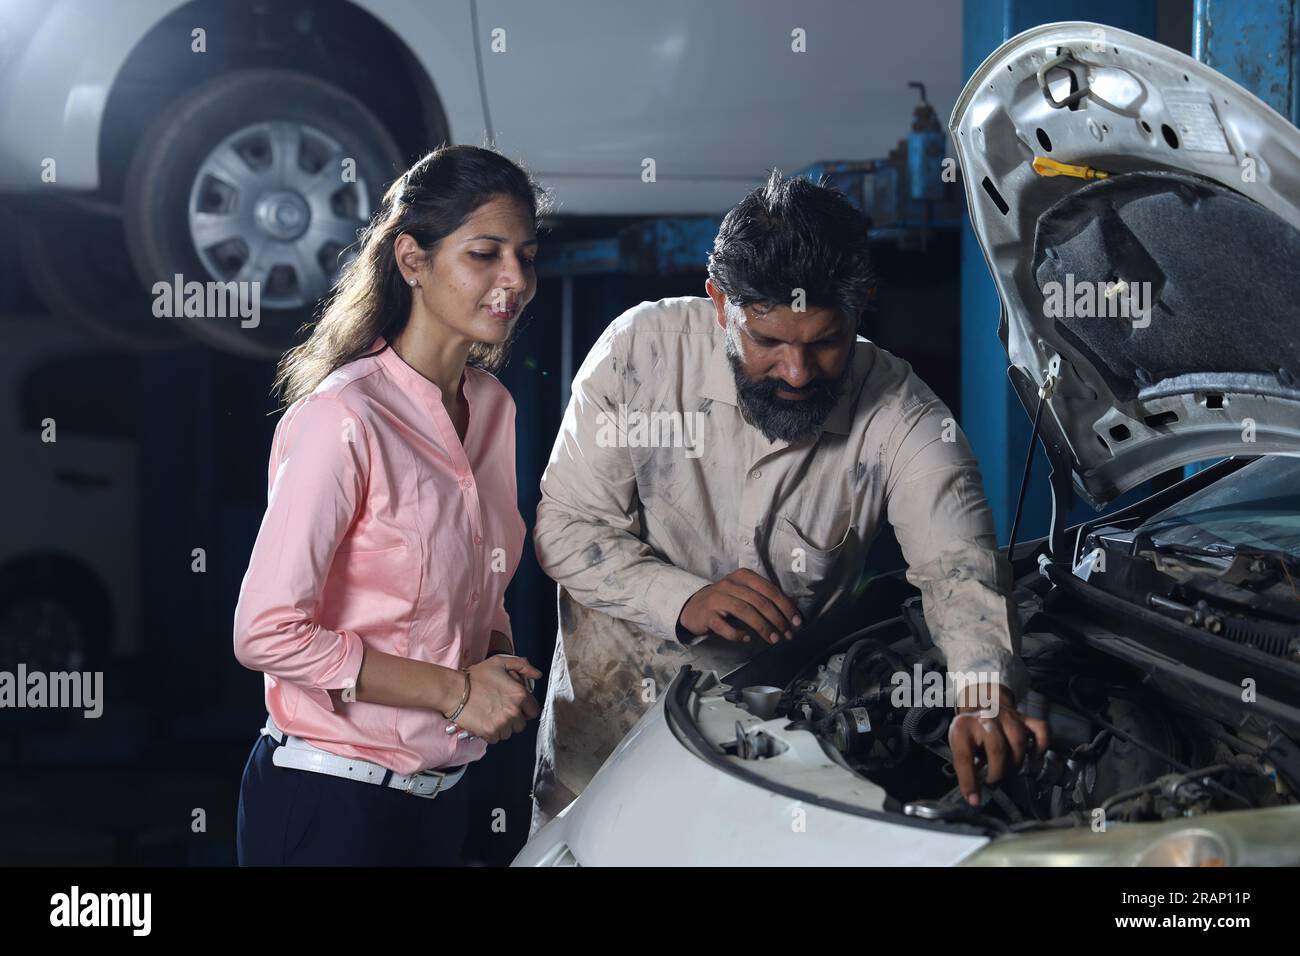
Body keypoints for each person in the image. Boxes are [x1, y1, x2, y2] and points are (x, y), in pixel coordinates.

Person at [529, 170, 1049, 834]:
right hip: (598, 744)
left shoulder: (902, 413)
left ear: (862, 308)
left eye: (824, 343)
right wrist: (683, 598)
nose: (797, 373)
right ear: (720, 302)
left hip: (768, 759)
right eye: (768, 342)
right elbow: (566, 526)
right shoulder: (641, 356)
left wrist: (983, 690)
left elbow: (957, 567)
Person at [234, 144, 545, 866]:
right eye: (485, 254)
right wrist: (454, 691)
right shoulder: (343, 418)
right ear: (412, 259)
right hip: (326, 808)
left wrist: (493, 661)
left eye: (526, 255)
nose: (515, 280)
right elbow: (265, 634)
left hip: (438, 806)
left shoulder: (492, 406)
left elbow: (478, 585)